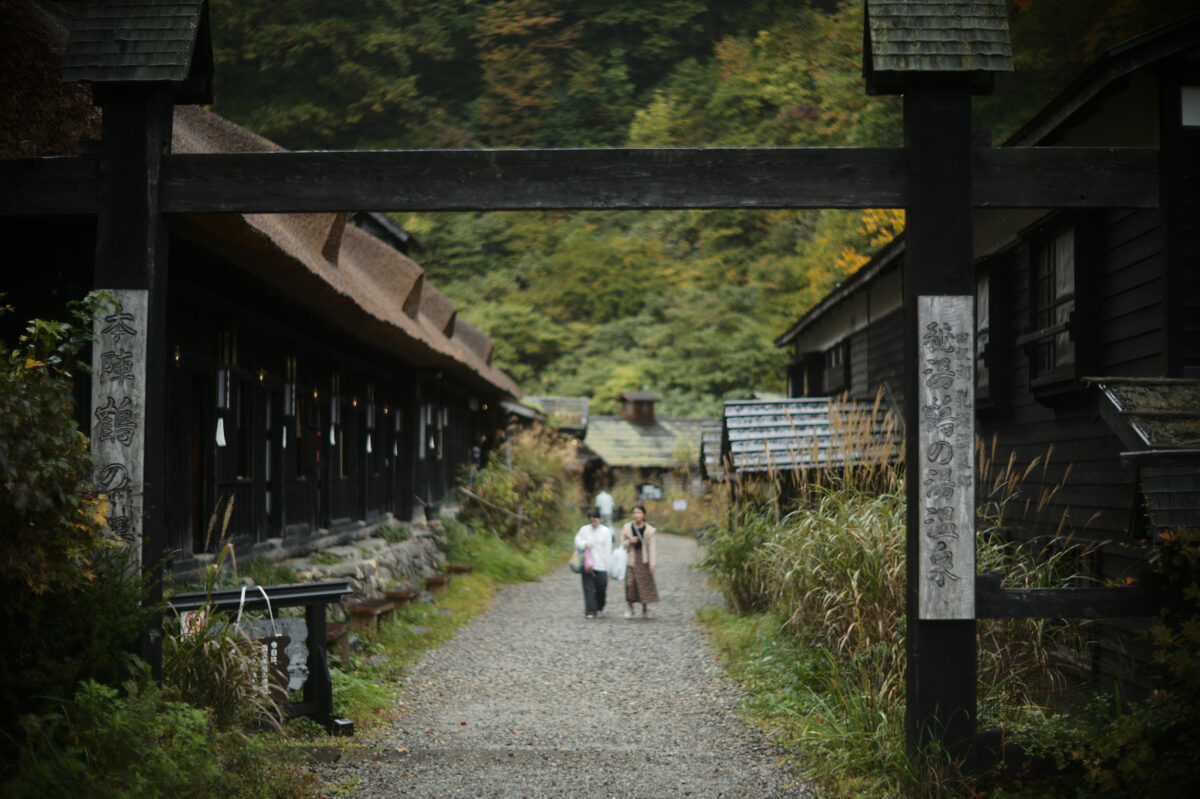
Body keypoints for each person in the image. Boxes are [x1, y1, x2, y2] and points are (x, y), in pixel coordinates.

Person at [619, 504, 659, 618]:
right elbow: (623, 545)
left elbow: (652, 547)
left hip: (643, 560)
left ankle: (644, 609)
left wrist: (652, 564)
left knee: (643, 585)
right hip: (631, 559)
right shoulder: (627, 527)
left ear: (644, 515)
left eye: (639, 513)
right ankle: (630, 608)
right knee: (630, 584)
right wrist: (630, 541)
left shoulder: (649, 530)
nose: (636, 515)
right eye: (634, 513)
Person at [574, 509, 613, 619]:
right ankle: (590, 610)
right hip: (587, 564)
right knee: (588, 587)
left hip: (602, 564)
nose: (593, 522)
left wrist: (608, 567)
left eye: (595, 520)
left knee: (601, 587)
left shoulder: (606, 531)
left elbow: (608, 549)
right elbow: (577, 540)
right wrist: (585, 543)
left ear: (599, 519)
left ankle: (599, 606)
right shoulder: (584, 530)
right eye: (591, 520)